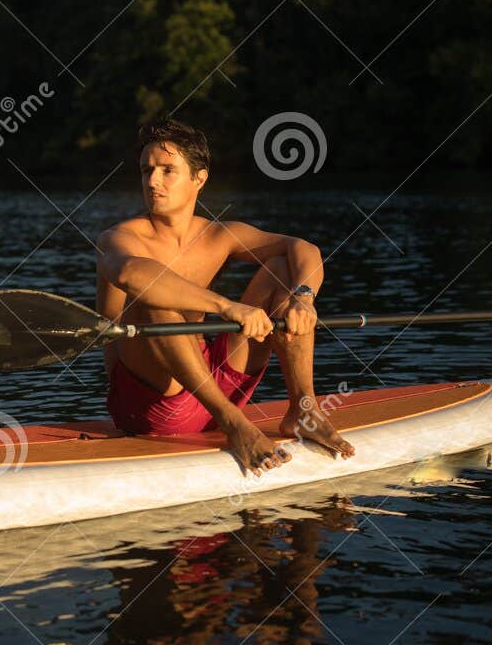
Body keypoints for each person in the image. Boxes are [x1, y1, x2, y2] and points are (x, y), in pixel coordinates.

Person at [96, 120, 356, 475]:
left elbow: (303, 248)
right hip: (151, 406)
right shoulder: (120, 237)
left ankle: (303, 410)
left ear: (199, 179)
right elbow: (131, 275)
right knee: (150, 300)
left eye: (167, 170)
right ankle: (235, 425)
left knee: (283, 267)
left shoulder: (219, 234)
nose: (153, 181)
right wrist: (228, 307)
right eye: (147, 170)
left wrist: (304, 298)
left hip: (215, 384)